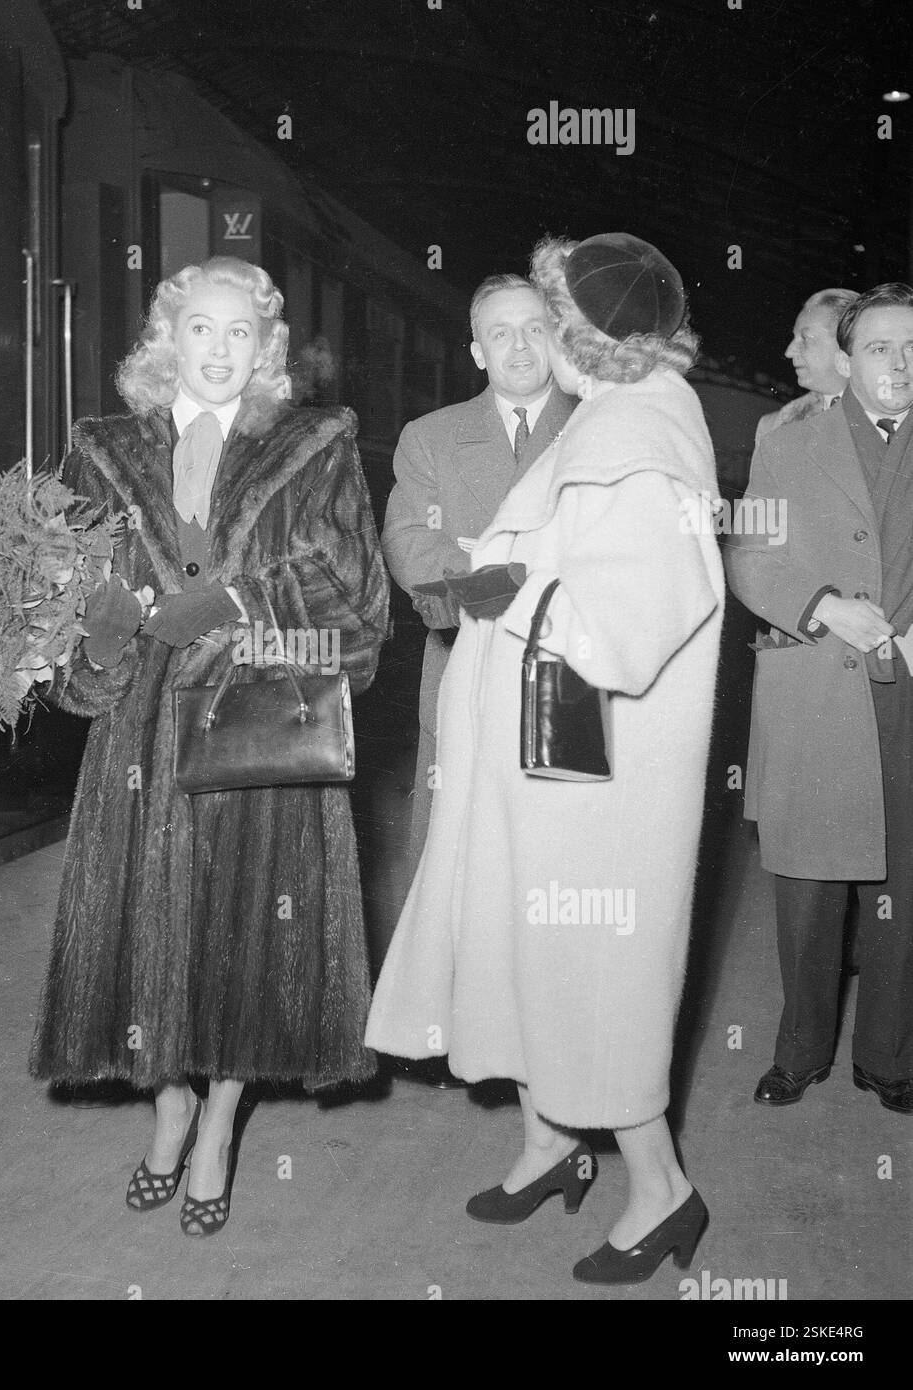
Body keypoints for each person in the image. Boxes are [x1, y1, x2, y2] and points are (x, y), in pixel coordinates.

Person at [366, 233, 725, 1284]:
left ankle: (662, 1191)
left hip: (586, 777)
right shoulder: (620, 416)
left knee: (590, 978)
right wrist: (500, 573)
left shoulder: (641, 432)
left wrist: (508, 591)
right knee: (525, 955)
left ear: (581, 336)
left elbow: (634, 611)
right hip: (544, 762)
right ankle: (550, 1143)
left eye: (553, 321)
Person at [29, 256, 390, 1236]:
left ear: (268, 349)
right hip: (139, 729)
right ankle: (169, 1099)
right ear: (165, 340)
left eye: (243, 333)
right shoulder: (100, 449)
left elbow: (357, 594)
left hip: (257, 716)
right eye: (201, 328)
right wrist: (100, 632)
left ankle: (222, 1117)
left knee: (245, 933)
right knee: (150, 927)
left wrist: (232, 599)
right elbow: (61, 598)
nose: (221, 349)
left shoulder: (315, 444)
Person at [725, 282, 913, 1116]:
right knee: (806, 886)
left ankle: (889, 1055)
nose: (897, 363)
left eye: (910, 347)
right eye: (877, 347)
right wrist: (822, 605)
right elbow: (750, 555)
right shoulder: (788, 441)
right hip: (819, 686)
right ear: (847, 356)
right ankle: (799, 1050)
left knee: (902, 883)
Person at [382, 275, 575, 874]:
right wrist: (514, 570)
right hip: (463, 660)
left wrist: (476, 557)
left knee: (554, 856)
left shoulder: (598, 428)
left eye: (534, 329)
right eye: (500, 333)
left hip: (568, 669)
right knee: (457, 859)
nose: (518, 347)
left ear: (558, 339)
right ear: (476, 352)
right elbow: (408, 543)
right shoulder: (431, 437)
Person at [755, 288, 858, 443]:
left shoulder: (900, 422)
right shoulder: (771, 427)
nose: (789, 352)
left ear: (846, 343)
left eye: (805, 338)